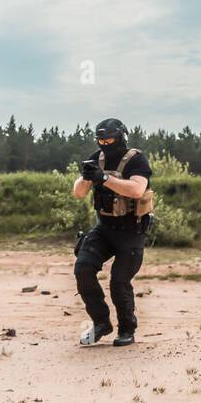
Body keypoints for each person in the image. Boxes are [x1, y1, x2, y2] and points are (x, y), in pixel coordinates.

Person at [72, 119, 153, 347]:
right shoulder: (96, 157)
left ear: (121, 137)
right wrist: (86, 176)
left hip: (131, 231)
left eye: (109, 139)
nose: (105, 143)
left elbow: (137, 189)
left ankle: (127, 329)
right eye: (100, 140)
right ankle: (101, 323)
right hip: (104, 228)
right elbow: (78, 193)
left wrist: (105, 178)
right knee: (83, 269)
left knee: (119, 282)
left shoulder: (136, 159)